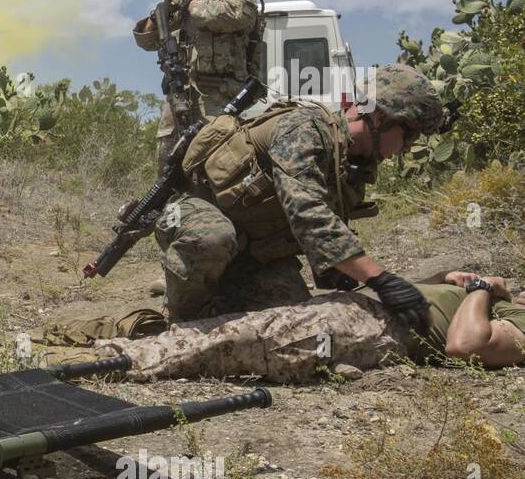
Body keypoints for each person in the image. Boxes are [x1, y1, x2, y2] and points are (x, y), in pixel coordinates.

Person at [156, 63, 444, 325]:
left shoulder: (351, 166)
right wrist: (380, 279)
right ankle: (180, 317)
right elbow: (308, 215)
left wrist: (398, 288)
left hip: (250, 251)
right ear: (380, 118)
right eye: (410, 134)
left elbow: (327, 241)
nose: (408, 147)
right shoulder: (304, 128)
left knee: (291, 315)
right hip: (195, 217)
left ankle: (217, 296)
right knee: (213, 236)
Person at [47, 271, 525, 383]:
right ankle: (96, 339)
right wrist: (452, 278)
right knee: (229, 325)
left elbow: (465, 346)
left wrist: (482, 288)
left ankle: (98, 364)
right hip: (358, 306)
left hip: (379, 328)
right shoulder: (510, 302)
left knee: (238, 340)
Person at [132, 0, 264, 171]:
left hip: (219, 101)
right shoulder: (186, 2)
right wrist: (159, 13)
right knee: (169, 168)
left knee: (220, 167)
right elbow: (147, 41)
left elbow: (230, 15)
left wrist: (187, 3)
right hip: (181, 99)